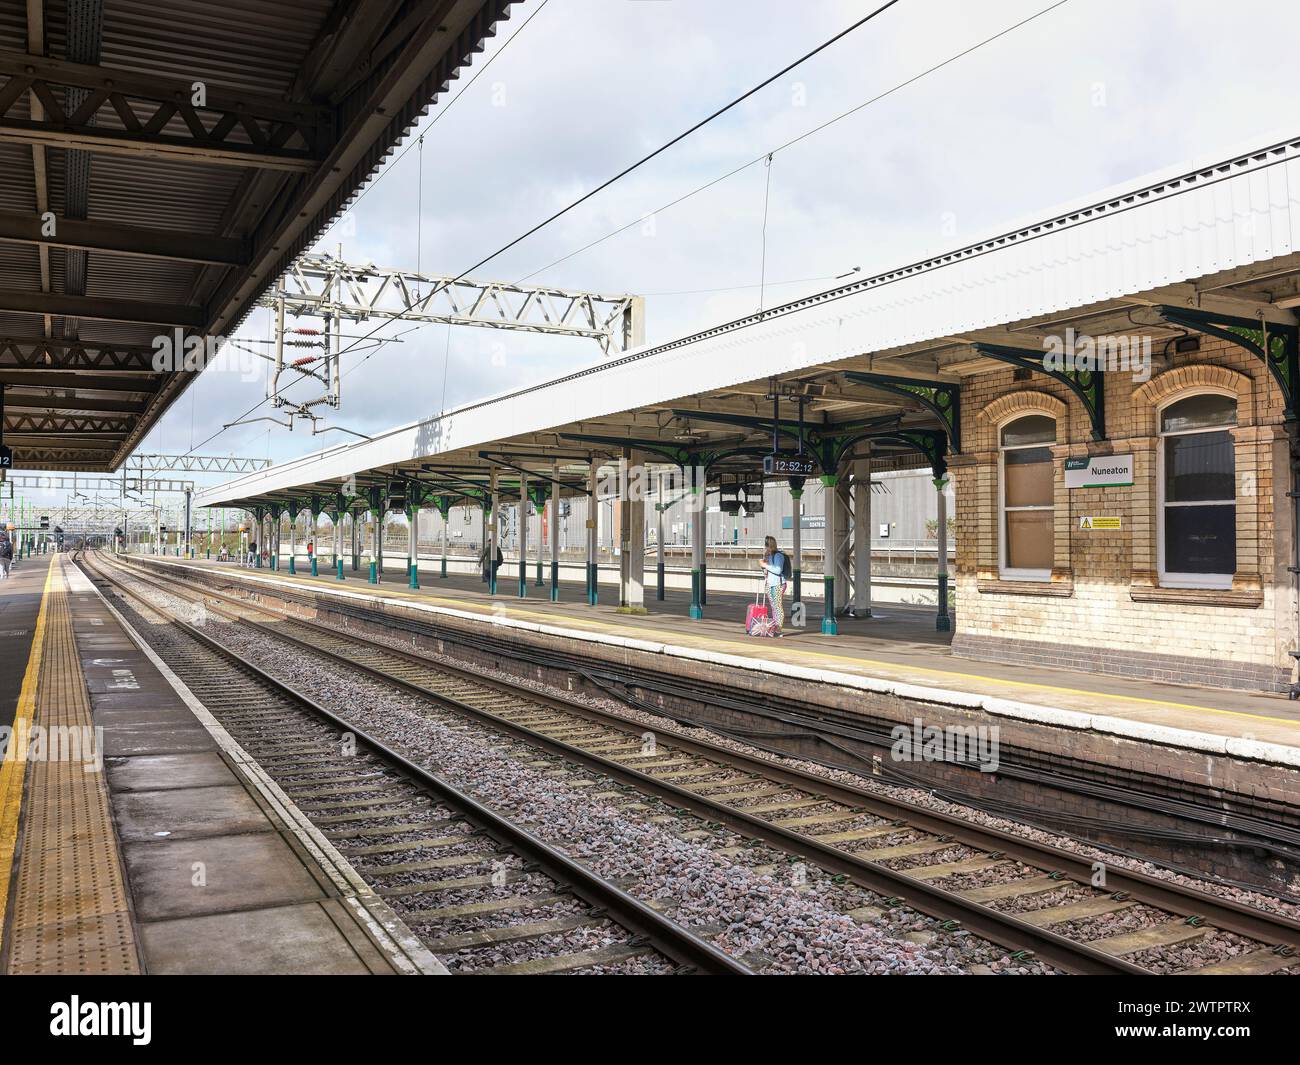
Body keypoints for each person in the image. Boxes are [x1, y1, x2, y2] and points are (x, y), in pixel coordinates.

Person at [758, 535, 788, 636]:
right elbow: (768, 571)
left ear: (769, 545)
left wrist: (765, 565)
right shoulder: (769, 556)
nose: (765, 548)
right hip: (770, 584)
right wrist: (764, 567)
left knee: (777, 607)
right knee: (773, 607)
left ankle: (778, 629)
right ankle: (775, 627)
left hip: (778, 584)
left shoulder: (779, 556)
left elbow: (778, 570)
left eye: (766, 545)